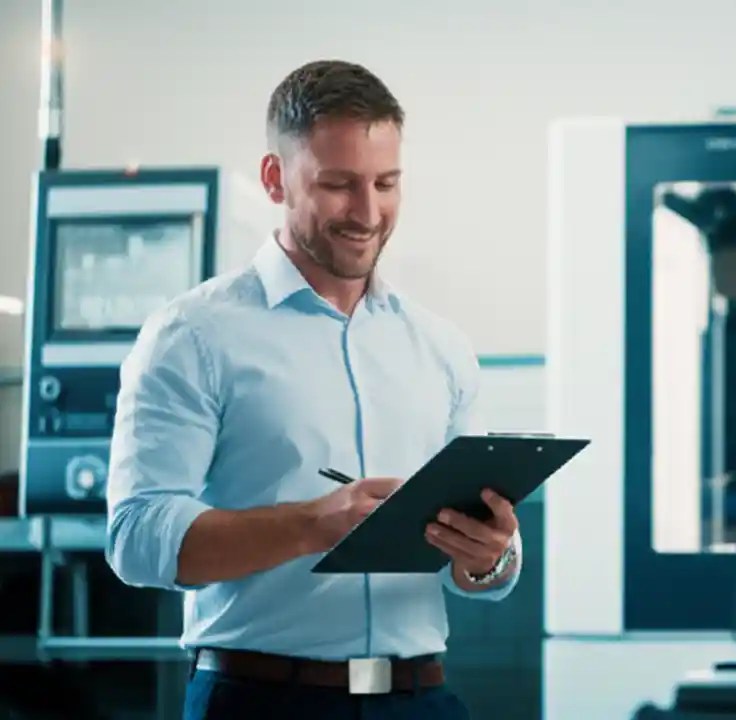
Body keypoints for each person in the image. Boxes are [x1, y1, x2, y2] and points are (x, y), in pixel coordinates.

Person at [104, 59, 520, 720]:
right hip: (259, 702)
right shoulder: (193, 336)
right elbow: (136, 537)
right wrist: (308, 525)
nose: (368, 211)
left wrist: (491, 558)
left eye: (386, 183)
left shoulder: (440, 347)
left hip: (421, 700)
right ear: (276, 178)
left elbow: (481, 576)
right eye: (338, 184)